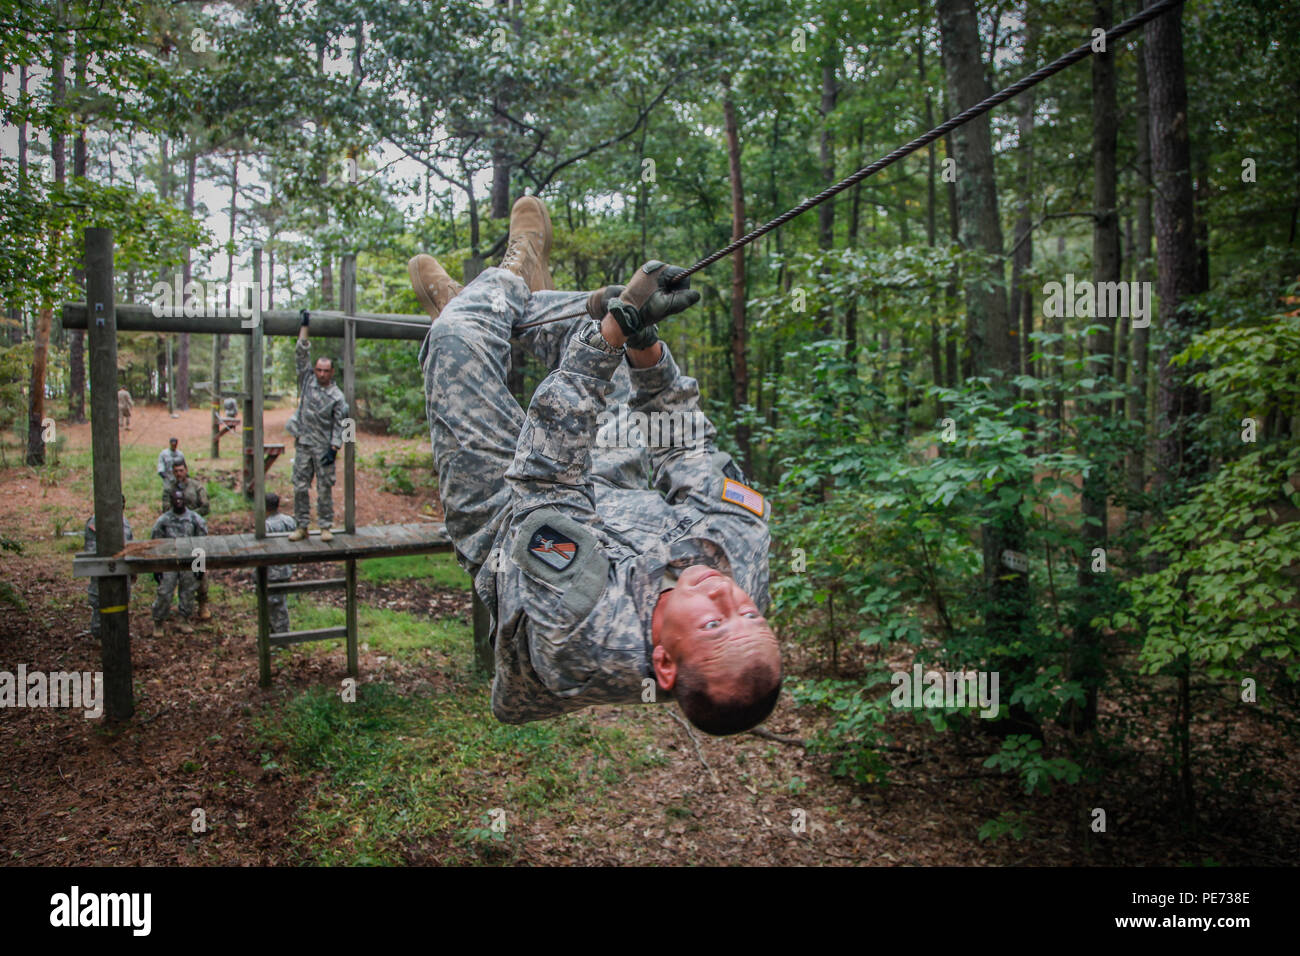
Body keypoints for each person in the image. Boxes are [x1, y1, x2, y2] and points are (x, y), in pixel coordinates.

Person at [413, 196, 782, 736]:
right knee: (592, 335)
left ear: (662, 662)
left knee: (455, 340)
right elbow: (684, 449)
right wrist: (644, 349)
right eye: (750, 615)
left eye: (711, 622)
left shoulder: (583, 634)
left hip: (509, 523)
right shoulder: (742, 559)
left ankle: (500, 283)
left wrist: (606, 338)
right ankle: (493, 303)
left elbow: (544, 483)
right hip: (619, 488)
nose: (729, 596)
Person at [286, 311, 348, 543]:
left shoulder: (337, 396)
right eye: (318, 369)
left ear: (332, 372)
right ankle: (301, 525)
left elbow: (340, 424)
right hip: (303, 444)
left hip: (323, 448)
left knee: (324, 489)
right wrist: (305, 325)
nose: (321, 373)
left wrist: (334, 448)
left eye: (325, 370)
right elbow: (301, 352)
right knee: (300, 487)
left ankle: (324, 526)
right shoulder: (307, 382)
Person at [147, 487, 207, 636]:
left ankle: (184, 620)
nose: (178, 502)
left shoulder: (195, 519)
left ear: (185, 500)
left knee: (188, 592)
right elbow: (156, 545)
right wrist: (157, 567)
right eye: (176, 499)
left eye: (181, 499)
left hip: (189, 562)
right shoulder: (163, 521)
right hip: (169, 562)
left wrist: (199, 566)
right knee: (164, 592)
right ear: (172, 501)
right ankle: (158, 622)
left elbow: (202, 543)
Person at [163, 461, 213, 620]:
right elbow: (165, 508)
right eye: (176, 471)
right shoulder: (169, 488)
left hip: (195, 536)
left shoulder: (196, 486)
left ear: (186, 470)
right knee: (173, 573)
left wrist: (189, 515)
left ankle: (203, 603)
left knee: (200, 570)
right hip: (175, 537)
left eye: (181, 470)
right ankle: (176, 606)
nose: (179, 473)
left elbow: (206, 507)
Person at [84, 497, 133, 639]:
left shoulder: (124, 521)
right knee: (100, 602)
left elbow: (130, 544)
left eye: (123, 504)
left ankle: (118, 631)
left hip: (122, 570)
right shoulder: (95, 522)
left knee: (121, 600)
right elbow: (91, 550)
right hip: (103, 570)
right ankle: (99, 635)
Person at [263, 492, 296, 634]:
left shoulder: (266, 525)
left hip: (272, 571)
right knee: (279, 601)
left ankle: (281, 635)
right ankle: (275, 631)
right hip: (286, 567)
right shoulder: (289, 520)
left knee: (275, 604)